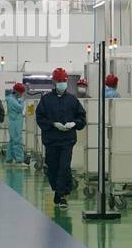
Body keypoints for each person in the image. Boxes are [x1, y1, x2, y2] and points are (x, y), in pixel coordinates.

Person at [35, 67, 87, 208]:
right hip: (51, 140)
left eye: (63, 81)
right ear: (54, 82)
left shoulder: (72, 100)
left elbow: (82, 118)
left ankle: (62, 195)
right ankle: (58, 191)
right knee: (53, 167)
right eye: (59, 81)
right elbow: (39, 117)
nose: (62, 84)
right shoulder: (45, 100)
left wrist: (74, 123)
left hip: (67, 140)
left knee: (64, 167)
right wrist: (53, 124)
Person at [5, 83, 27, 164]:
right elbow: (20, 108)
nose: (22, 95)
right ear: (17, 92)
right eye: (21, 93)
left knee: (12, 141)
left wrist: (20, 100)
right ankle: (19, 159)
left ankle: (9, 158)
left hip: (15, 123)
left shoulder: (13, 99)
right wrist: (22, 101)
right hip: (15, 124)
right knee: (17, 141)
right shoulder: (12, 100)